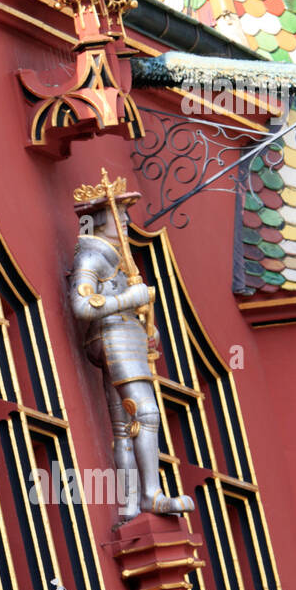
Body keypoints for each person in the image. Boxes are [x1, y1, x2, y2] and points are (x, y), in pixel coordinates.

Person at [69, 172, 194, 520]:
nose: (124, 219)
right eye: (118, 213)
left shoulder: (113, 257)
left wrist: (145, 328)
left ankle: (130, 502)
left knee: (124, 427)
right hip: (113, 336)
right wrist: (128, 299)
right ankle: (151, 494)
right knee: (147, 414)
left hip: (124, 335)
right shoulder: (93, 257)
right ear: (97, 221)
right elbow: (81, 305)